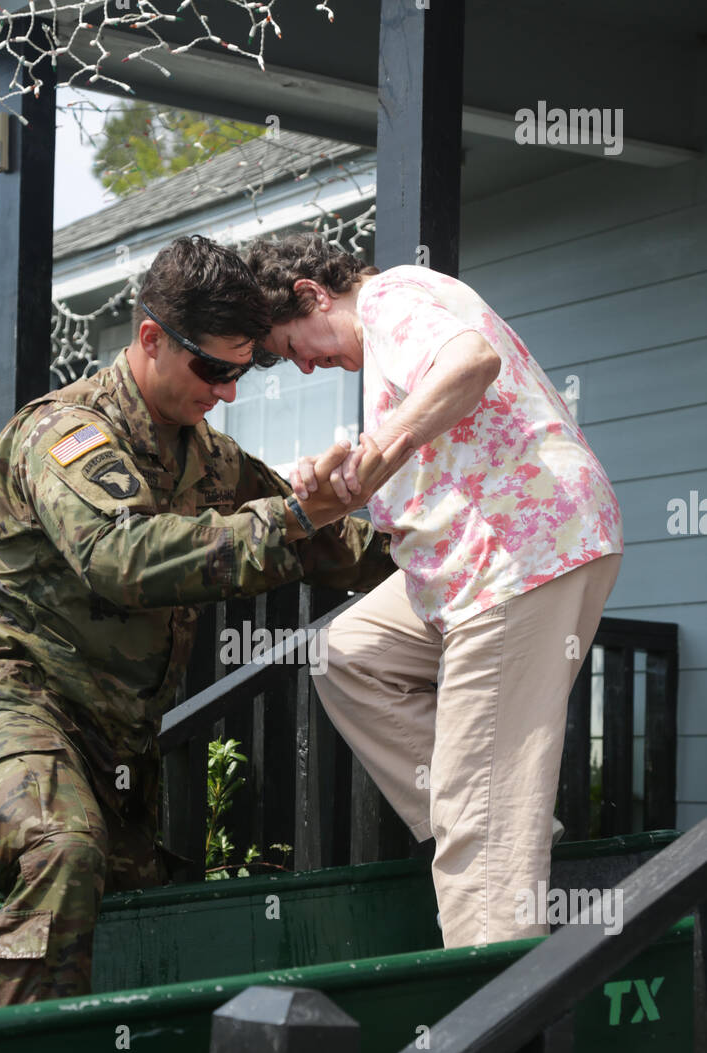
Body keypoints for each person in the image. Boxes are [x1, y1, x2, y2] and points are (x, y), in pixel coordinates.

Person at [0, 235, 404, 1010]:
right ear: (150, 339)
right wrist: (292, 519)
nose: (229, 392)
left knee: (139, 934)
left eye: (241, 371)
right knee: (61, 849)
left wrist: (443, 569)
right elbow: (121, 556)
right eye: (213, 369)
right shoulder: (65, 435)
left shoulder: (209, 460)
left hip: (116, 749)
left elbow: (322, 541)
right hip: (9, 706)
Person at [244, 233, 624, 949]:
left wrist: (378, 451)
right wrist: (320, 490)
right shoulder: (389, 337)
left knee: (477, 815)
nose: (303, 365)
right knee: (349, 653)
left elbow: (471, 361)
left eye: (293, 345)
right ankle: (500, 819)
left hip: (516, 552)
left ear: (310, 293)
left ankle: (494, 1029)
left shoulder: (395, 297)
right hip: (480, 559)